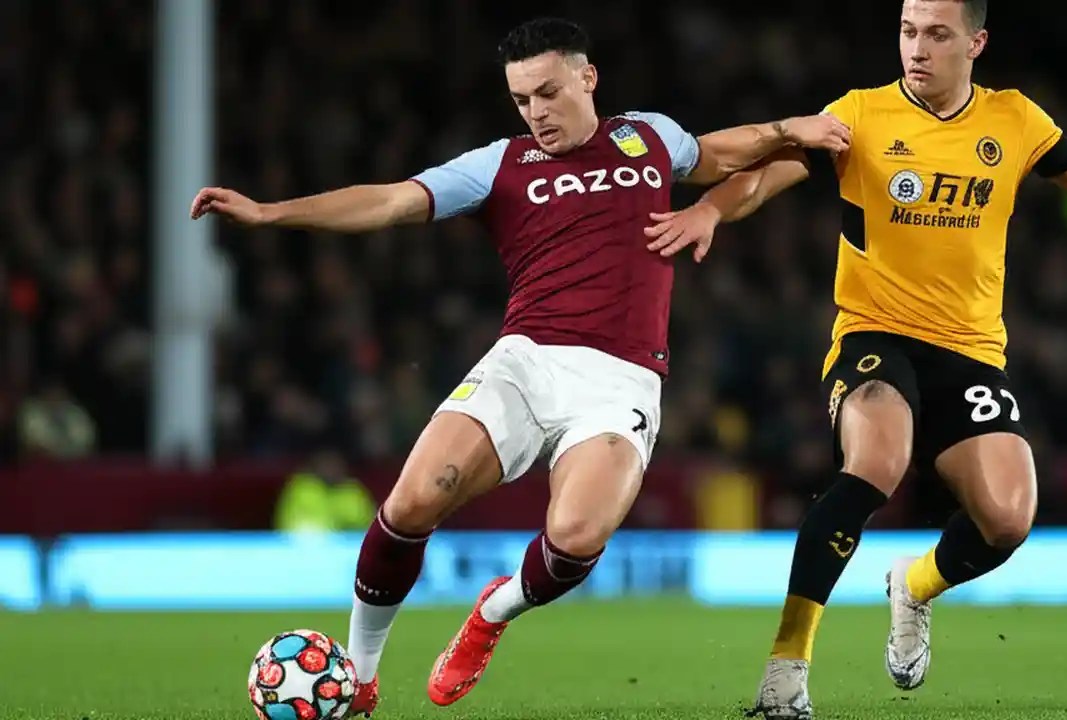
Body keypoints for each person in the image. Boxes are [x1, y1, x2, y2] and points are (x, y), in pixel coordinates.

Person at [191, 16, 849, 716]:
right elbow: (387, 201)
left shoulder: (646, 136)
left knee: (576, 538)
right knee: (411, 502)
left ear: (586, 78)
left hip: (621, 379)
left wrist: (785, 133)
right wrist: (269, 214)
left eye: (548, 92)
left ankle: (491, 615)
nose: (536, 113)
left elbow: (723, 154)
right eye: (521, 100)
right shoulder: (497, 165)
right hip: (525, 362)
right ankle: (358, 674)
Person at [643, 1, 1067, 717]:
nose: (917, 49)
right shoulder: (861, 115)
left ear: (975, 42)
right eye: (908, 32)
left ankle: (912, 586)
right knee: (876, 461)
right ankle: (786, 671)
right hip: (874, 334)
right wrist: (708, 211)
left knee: (1008, 517)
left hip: (970, 351)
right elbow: (768, 173)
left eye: (937, 35)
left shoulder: (1014, 122)